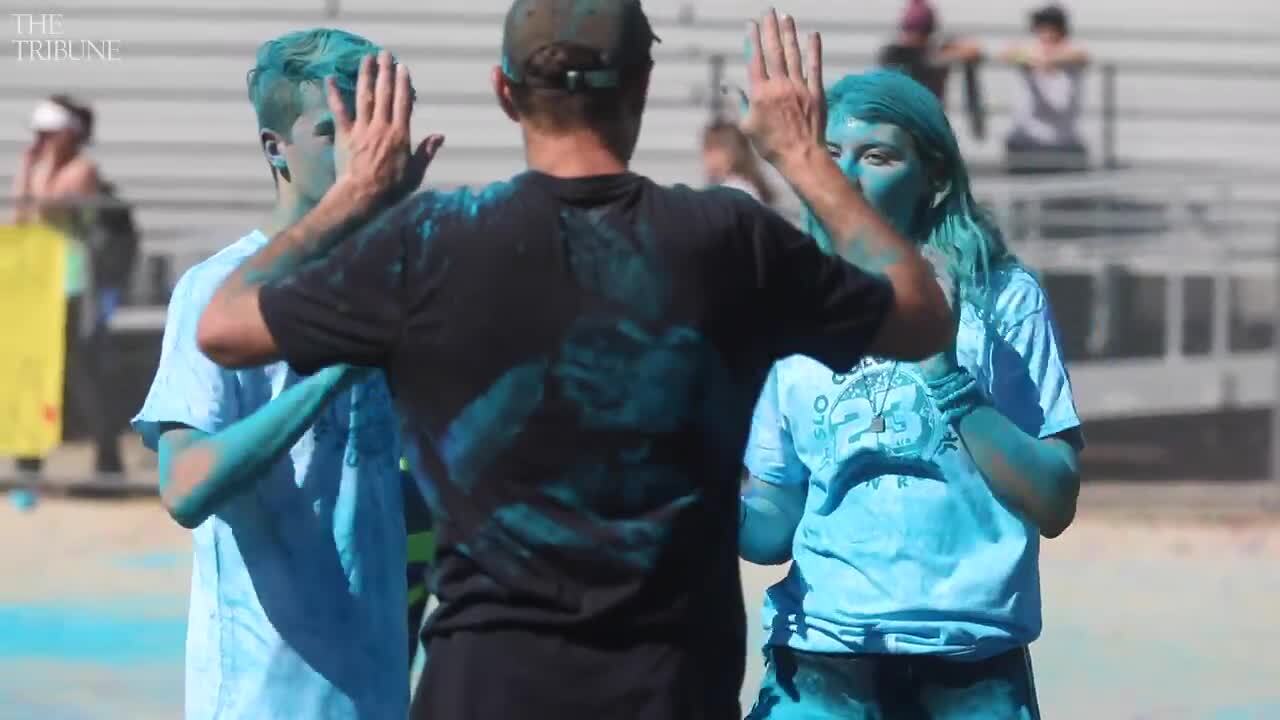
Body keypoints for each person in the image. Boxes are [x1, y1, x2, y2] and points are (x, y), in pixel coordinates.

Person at [195, 4, 954, 718]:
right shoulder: (727, 240)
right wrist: (801, 157)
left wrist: (352, 196)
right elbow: (921, 317)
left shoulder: (431, 244)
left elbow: (224, 325)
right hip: (671, 690)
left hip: (484, 688)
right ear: (643, 87)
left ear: (503, 91)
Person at [739, 69, 1084, 719]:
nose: (847, 175)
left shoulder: (1003, 300)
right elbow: (772, 529)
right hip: (822, 660)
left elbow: (1055, 498)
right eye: (831, 155)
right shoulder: (789, 306)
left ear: (935, 177)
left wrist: (945, 373)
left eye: (878, 155)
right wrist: (699, 488)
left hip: (973, 666)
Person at [130, 29, 441, 719]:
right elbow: (184, 487)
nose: (358, 150)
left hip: (378, 690)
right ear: (276, 149)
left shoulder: (402, 281)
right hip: (262, 697)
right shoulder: (217, 292)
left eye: (369, 126)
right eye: (331, 130)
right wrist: (332, 375)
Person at [11, 94, 125, 476]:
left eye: (48, 135)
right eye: (37, 135)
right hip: (40, 286)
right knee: (33, 367)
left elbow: (46, 206)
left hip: (74, 283)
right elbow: (20, 216)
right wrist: (29, 170)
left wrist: (33, 171)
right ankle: (29, 457)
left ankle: (107, 458)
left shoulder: (83, 170)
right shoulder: (39, 168)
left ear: (68, 135)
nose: (40, 143)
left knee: (82, 371)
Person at [876, 0, 985, 140]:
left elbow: (973, 51)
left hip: (929, 127)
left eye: (917, 32)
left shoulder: (937, 50)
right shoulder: (894, 54)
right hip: (898, 125)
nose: (910, 38)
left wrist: (948, 54)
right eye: (908, 30)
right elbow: (920, 62)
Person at [1001, 4, 1090, 173]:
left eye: (1049, 27)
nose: (1044, 33)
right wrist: (1032, 58)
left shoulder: (1072, 51)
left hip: (1063, 145)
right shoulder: (1029, 50)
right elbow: (1008, 53)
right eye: (1040, 28)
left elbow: (1081, 55)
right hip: (1025, 142)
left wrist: (1050, 60)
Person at [701, 120, 776, 205]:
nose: (704, 155)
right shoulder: (739, 186)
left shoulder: (735, 190)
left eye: (709, 149)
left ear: (730, 152)